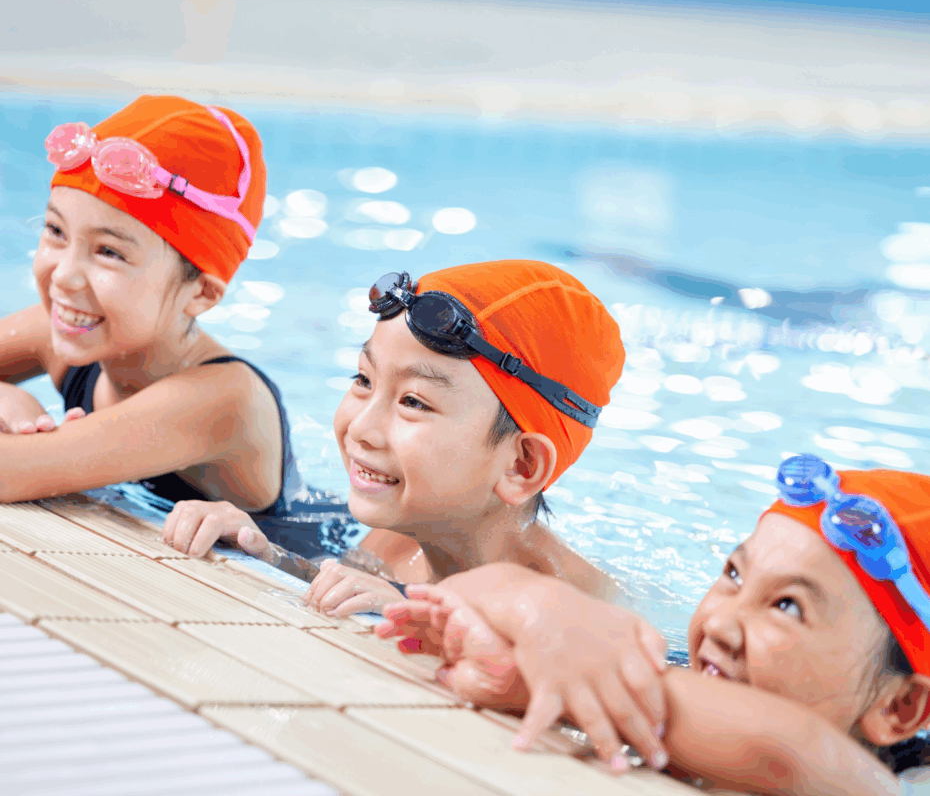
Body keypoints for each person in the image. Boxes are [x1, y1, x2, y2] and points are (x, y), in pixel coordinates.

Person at [378, 458, 930, 794]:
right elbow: (465, 592)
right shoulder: (645, 662)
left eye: (786, 606)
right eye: (734, 574)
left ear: (899, 708)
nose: (723, 622)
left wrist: (550, 651)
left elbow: (786, 750)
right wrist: (541, 620)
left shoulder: (879, 785)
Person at [164, 260, 628, 610]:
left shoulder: (558, 606)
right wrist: (259, 549)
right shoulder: (403, 535)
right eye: (363, 380)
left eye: (414, 402)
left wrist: (408, 611)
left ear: (520, 466)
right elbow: (337, 580)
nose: (361, 429)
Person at [0, 95, 302, 517]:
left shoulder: (222, 400)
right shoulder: (65, 328)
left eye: (109, 252)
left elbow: (8, 471)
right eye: (55, 230)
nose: (65, 276)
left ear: (200, 293)